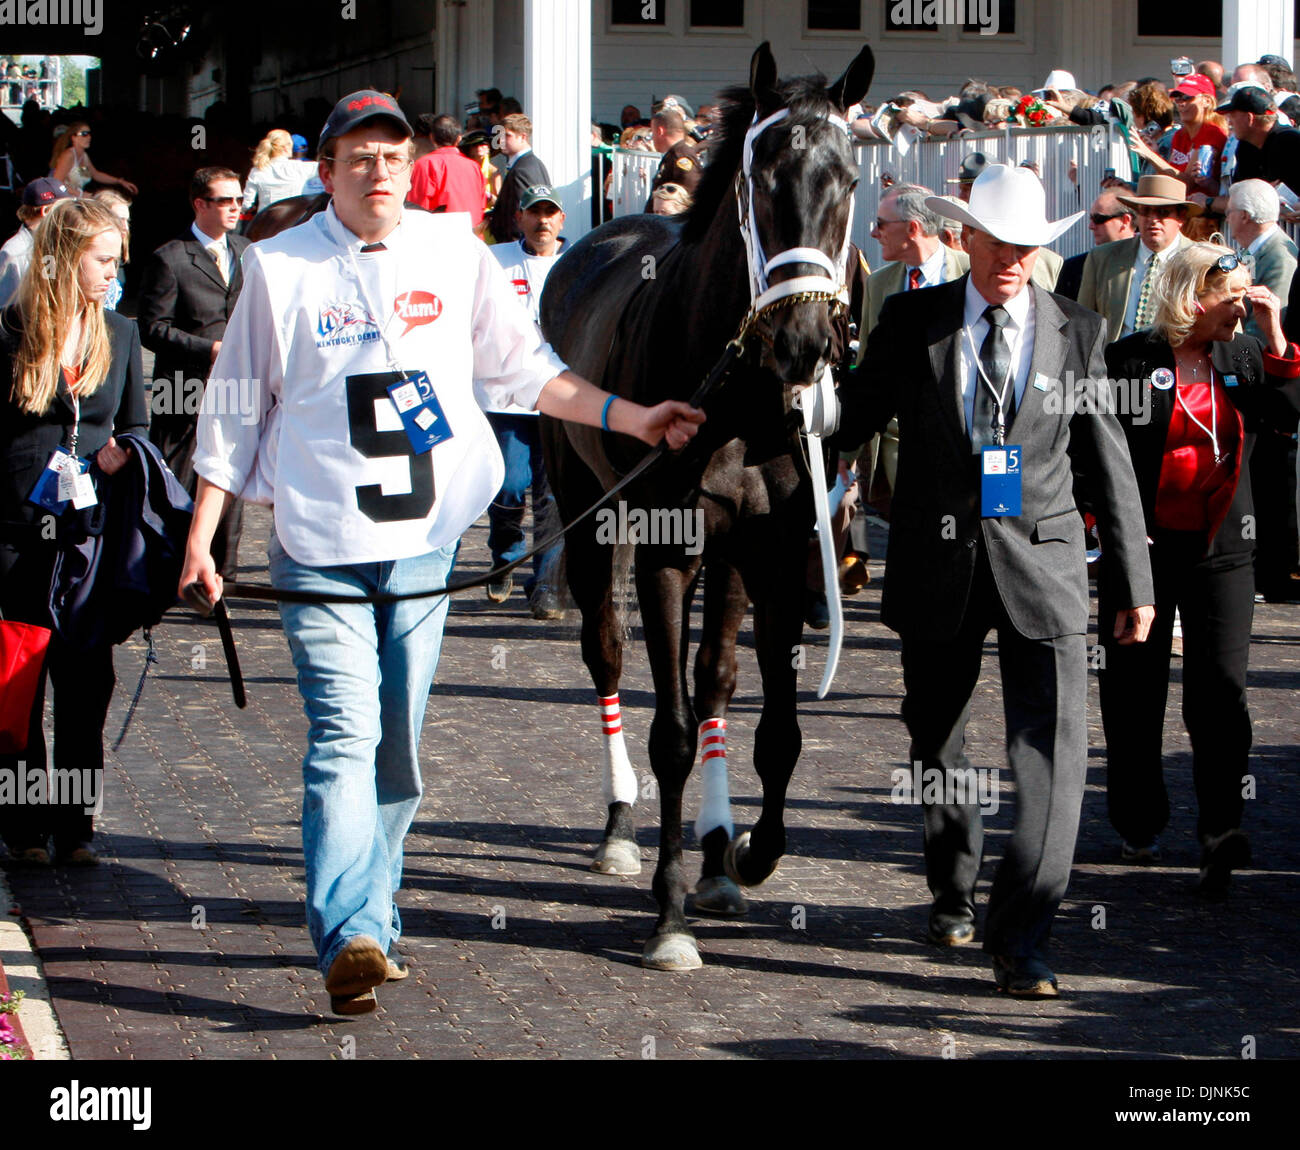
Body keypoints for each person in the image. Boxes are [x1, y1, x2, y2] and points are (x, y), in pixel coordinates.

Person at [178, 90, 702, 1016]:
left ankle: (374, 917)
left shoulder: (454, 254)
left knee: (398, 750)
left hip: (422, 550)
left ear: (408, 166)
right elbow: (231, 404)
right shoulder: (276, 267)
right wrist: (201, 538)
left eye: (391, 154)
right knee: (345, 736)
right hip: (317, 545)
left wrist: (631, 416)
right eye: (357, 156)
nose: (376, 170)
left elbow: (528, 375)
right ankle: (352, 934)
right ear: (328, 169)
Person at [840, 163, 1155, 998]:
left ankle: (1025, 937)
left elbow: (1107, 462)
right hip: (936, 559)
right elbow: (852, 416)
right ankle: (951, 886)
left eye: (1027, 246)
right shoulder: (913, 322)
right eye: (998, 242)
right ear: (964, 237)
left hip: (1044, 564)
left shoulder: (1078, 330)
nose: (1012, 259)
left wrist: (1135, 582)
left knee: (1051, 756)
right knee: (937, 739)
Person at [1099, 243, 1300, 892]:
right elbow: (1100, 453)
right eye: (1234, 296)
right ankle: (1138, 821)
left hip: (1224, 550)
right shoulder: (1133, 359)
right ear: (1193, 298)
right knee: (1135, 690)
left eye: (1249, 292)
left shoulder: (1242, 353)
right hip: (1145, 551)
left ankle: (1221, 827)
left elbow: (1287, 414)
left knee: (1220, 690)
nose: (1245, 304)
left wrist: (1275, 335)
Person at [0, 198, 146, 867]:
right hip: (16, 537)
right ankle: (23, 828)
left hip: (88, 542)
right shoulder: (11, 331)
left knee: (85, 686)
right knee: (19, 683)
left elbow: (141, 428)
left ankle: (76, 824)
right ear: (63, 257)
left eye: (117, 260)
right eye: (102, 259)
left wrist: (125, 454)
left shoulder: (120, 335)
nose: (112, 273)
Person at [138, 167, 249, 580]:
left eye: (239, 199)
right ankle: (168, 565)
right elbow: (152, 330)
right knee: (179, 472)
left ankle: (224, 570)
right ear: (200, 204)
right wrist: (210, 349)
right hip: (181, 384)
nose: (236, 208)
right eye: (225, 200)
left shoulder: (247, 249)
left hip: (238, 382)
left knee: (231, 470)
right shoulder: (170, 257)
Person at [484, 183, 569, 618]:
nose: (543, 221)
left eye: (550, 213)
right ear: (519, 219)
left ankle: (547, 585)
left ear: (561, 220)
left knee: (553, 494)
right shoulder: (495, 261)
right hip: (505, 396)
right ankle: (505, 556)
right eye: (534, 213)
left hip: (559, 393)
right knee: (509, 486)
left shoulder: (578, 264)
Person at [1078, 174, 1197, 342]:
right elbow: (1083, 323)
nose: (1153, 220)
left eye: (1163, 212)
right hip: (1116, 361)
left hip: (1176, 362)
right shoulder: (1102, 257)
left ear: (1181, 217)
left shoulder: (1201, 262)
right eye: (1145, 211)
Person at [0, 177, 73, 307]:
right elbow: (5, 306)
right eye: (64, 208)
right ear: (45, 211)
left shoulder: (54, 242)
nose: (70, 214)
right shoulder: (14, 252)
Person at [1055, 190, 1137, 301]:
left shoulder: (1147, 264)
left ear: (1125, 221)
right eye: (1091, 219)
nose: (1091, 226)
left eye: (1099, 219)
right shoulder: (1073, 269)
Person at [406, 114, 487, 226]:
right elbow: (481, 204)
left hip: (440, 237)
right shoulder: (474, 167)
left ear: (432, 137)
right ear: (459, 138)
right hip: (472, 235)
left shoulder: (425, 164)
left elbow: (416, 209)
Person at [486, 113, 550, 244]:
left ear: (522, 137)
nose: (501, 140)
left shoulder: (522, 169)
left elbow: (523, 215)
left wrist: (516, 245)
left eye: (507, 135)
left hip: (517, 245)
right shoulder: (533, 163)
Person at [240, 128, 320, 221]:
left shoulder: (257, 171)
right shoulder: (301, 167)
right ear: (286, 148)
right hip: (295, 220)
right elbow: (328, 168)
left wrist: (249, 208)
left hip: (264, 221)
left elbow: (246, 205)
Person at [49, 122, 138, 198]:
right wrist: (79, 194)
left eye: (89, 133)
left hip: (75, 200)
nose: (89, 137)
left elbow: (95, 174)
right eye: (84, 134)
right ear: (73, 137)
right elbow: (57, 183)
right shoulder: (69, 155)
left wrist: (120, 181)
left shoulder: (84, 156)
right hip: (61, 201)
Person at [90, 188, 132, 312]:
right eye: (119, 219)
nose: (125, 227)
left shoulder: (118, 257)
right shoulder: (86, 256)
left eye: (127, 220)